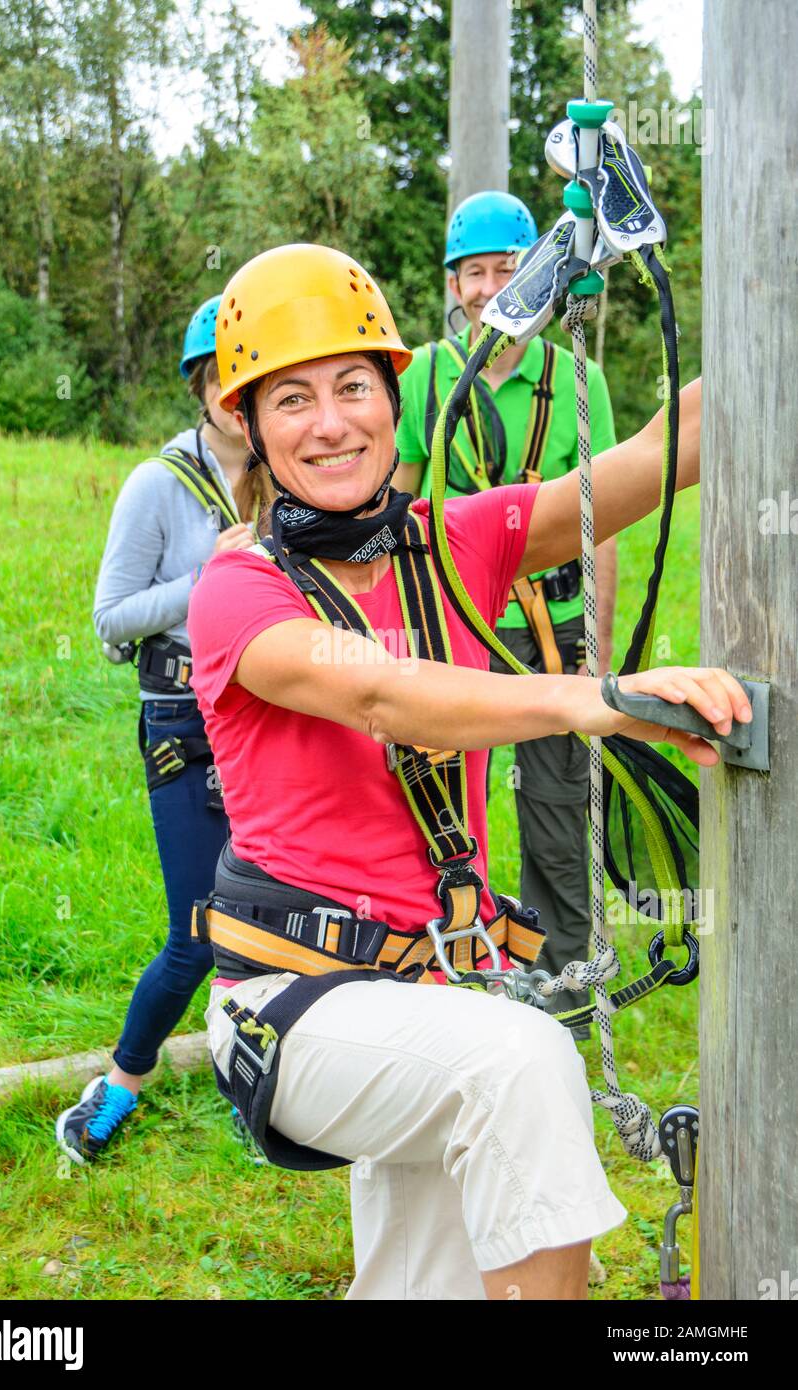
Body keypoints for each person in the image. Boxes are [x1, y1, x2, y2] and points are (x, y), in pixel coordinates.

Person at [186, 243, 749, 1301]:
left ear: (396, 399)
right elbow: (375, 689)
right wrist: (593, 698)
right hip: (293, 1006)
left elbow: (655, 451)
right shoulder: (238, 587)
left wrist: (766, 332)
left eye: (354, 386)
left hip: (430, 994)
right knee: (521, 1059)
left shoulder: (455, 544)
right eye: (292, 398)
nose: (331, 421)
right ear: (247, 425)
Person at [395, 190, 619, 1032]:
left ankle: (561, 970)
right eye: (474, 273)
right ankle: (456, 956)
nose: (490, 289)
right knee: (447, 801)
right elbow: (402, 504)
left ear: (538, 273)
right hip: (458, 625)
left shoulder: (577, 380)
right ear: (454, 286)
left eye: (505, 270)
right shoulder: (422, 380)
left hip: (553, 633)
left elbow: (601, 524)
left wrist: (595, 644)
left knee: (558, 805)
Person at [56, 295, 271, 1164]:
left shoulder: (285, 469)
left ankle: (247, 1085)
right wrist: (214, 578)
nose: (236, 394)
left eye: (252, 379)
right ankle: (120, 1085)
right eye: (224, 377)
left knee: (265, 918)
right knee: (195, 935)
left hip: (264, 714)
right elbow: (110, 617)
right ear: (202, 385)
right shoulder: (159, 484)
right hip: (184, 721)